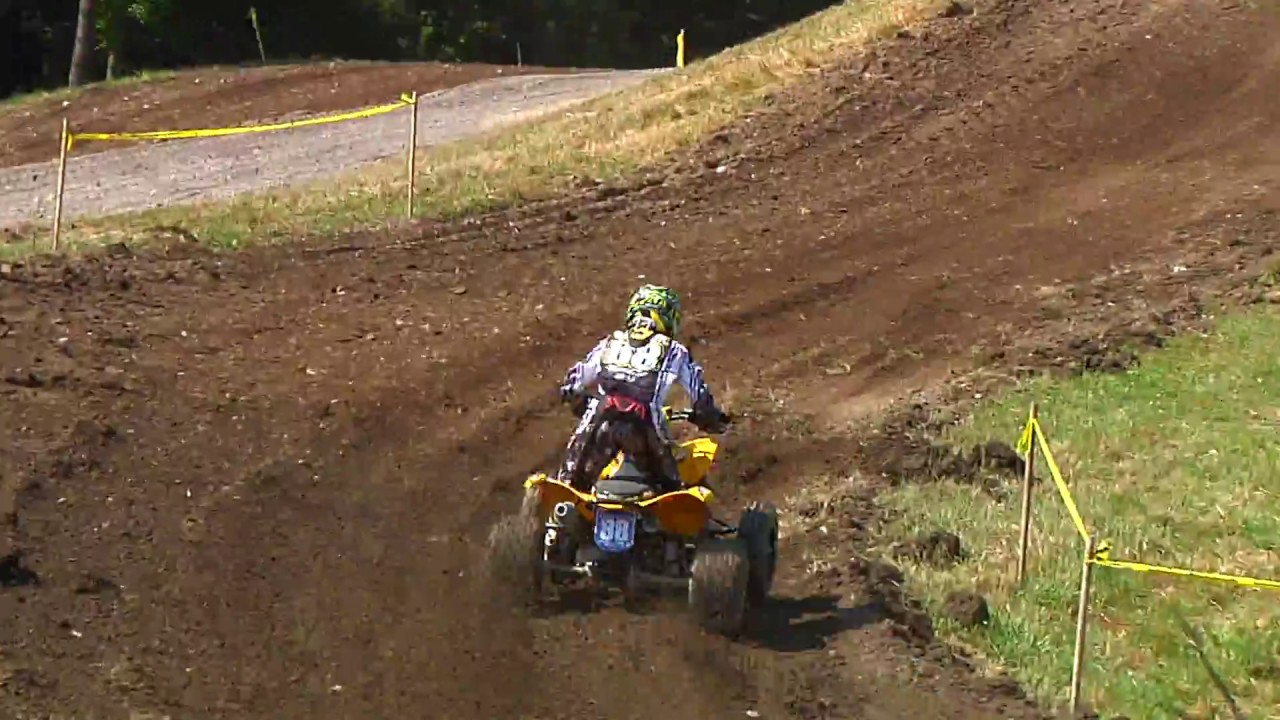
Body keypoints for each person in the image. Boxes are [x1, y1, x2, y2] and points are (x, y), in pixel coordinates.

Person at [556, 284, 731, 492]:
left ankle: (562, 511)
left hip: (602, 418)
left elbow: (574, 382)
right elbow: (699, 393)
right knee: (670, 488)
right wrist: (709, 418)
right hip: (645, 422)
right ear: (668, 317)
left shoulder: (610, 342)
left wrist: (577, 399)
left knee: (570, 486)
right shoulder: (674, 350)